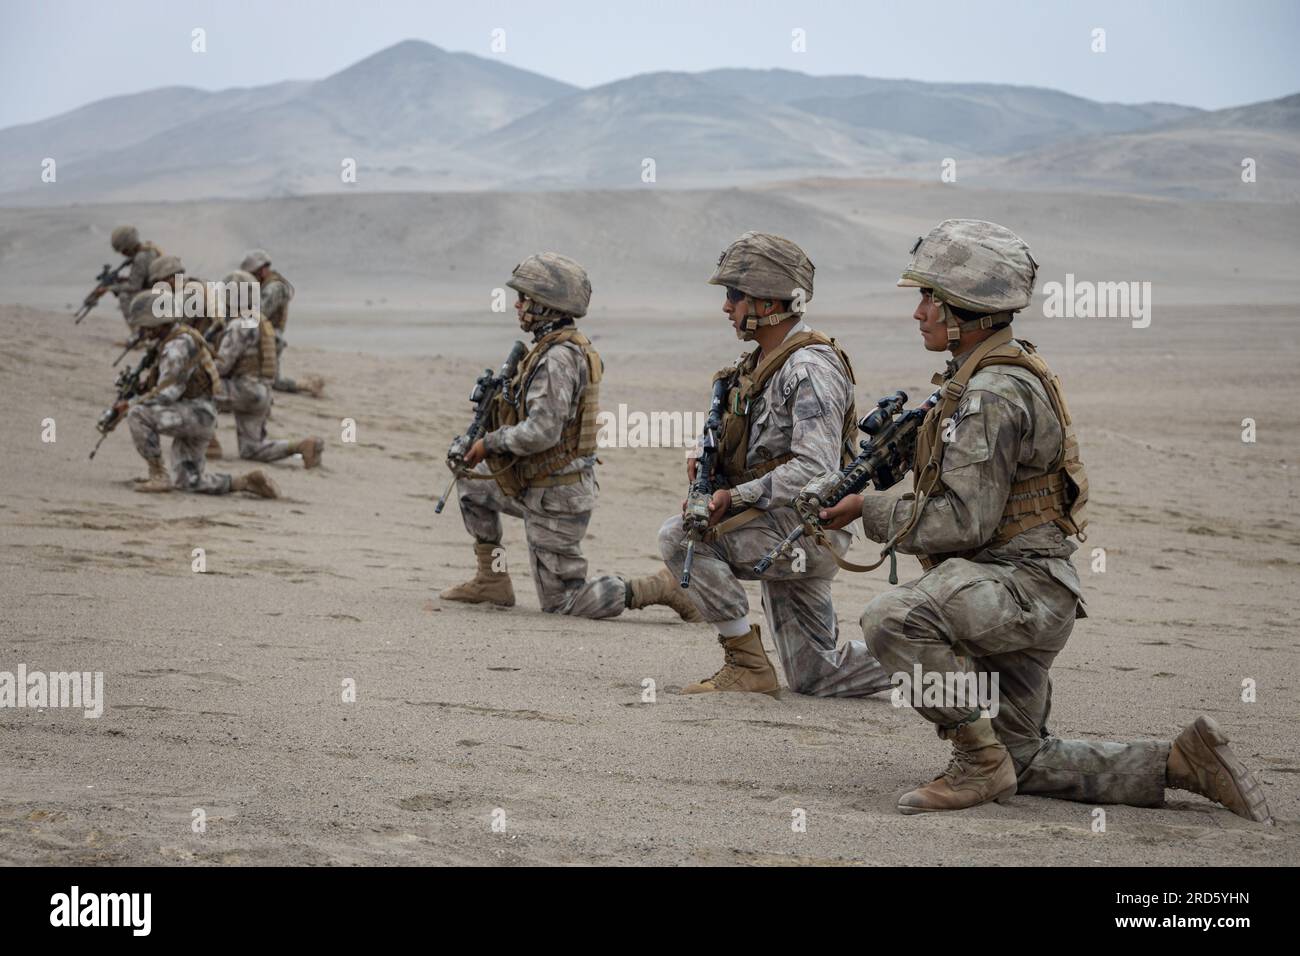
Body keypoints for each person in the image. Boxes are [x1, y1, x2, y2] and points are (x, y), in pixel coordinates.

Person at [818, 219, 1271, 822]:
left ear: (966, 309)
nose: (919, 312)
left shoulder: (992, 392)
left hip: (1016, 590)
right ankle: (1182, 763)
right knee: (1024, 760)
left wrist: (867, 510)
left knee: (893, 618)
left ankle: (977, 764)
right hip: (1027, 590)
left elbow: (964, 522)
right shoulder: (987, 374)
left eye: (930, 298)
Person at [657, 232, 893, 697]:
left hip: (805, 529)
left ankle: (746, 663)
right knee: (818, 675)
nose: (727, 307)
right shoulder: (759, 364)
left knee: (682, 537)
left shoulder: (808, 368)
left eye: (734, 295)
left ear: (767, 302)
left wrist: (735, 496)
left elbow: (815, 469)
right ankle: (943, 665)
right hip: (786, 523)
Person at [442, 253, 700, 622]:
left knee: (564, 602)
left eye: (525, 298)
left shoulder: (559, 358)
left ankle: (660, 587)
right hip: (534, 483)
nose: (517, 305)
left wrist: (490, 443)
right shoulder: (548, 349)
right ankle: (491, 579)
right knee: (471, 484)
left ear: (545, 305)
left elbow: (543, 431)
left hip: (557, 495)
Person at [118, 289, 280, 500]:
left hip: (195, 415)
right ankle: (243, 482)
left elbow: (169, 392)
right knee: (189, 481)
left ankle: (158, 474)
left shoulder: (176, 346)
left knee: (137, 414)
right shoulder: (180, 337)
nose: (142, 331)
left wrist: (131, 403)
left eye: (145, 326)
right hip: (202, 414)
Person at [212, 270, 324, 467]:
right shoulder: (262, 323)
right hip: (262, 394)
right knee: (252, 450)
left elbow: (221, 366)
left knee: (197, 389)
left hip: (244, 390)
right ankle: (301, 446)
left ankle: (207, 442)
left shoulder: (239, 325)